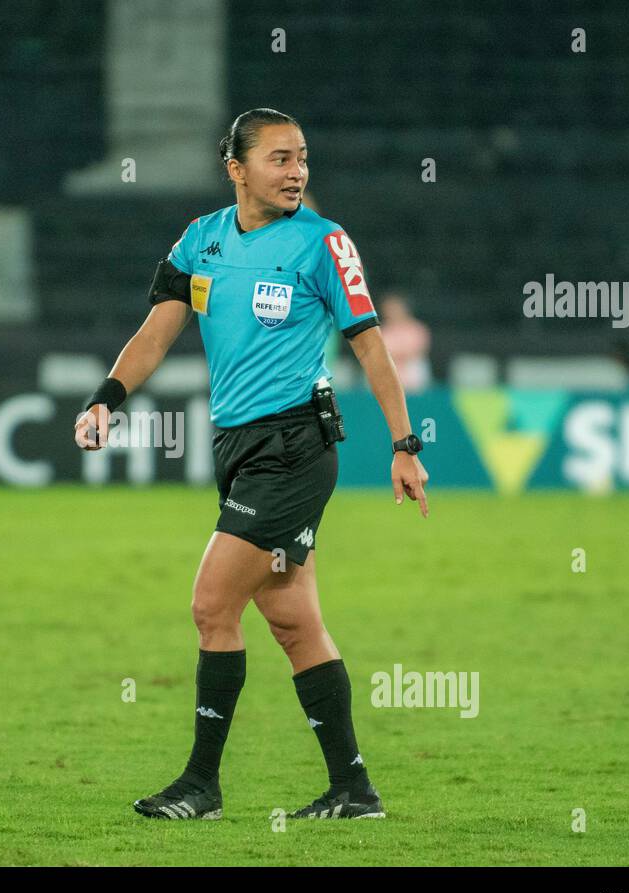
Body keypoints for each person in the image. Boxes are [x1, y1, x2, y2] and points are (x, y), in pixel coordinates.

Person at [73, 108, 429, 821]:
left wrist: (403, 445)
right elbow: (157, 331)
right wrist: (107, 396)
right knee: (294, 622)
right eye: (279, 159)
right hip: (235, 447)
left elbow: (368, 345)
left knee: (211, 606)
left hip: (294, 448)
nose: (297, 171)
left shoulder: (323, 244)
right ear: (235, 168)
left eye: (302, 158)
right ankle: (353, 789)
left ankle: (201, 786)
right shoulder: (201, 241)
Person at [377, 290, 432, 393]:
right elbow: (381, 352)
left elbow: (419, 350)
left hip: (410, 367)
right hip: (390, 366)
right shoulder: (382, 331)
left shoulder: (417, 328)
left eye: (395, 308)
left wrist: (401, 355)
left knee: (416, 365)